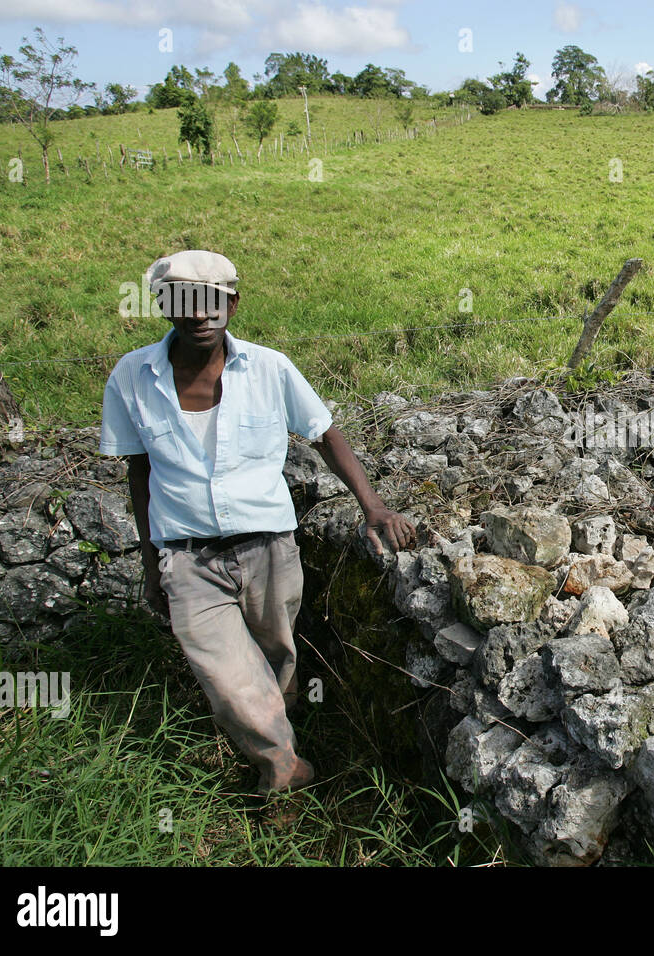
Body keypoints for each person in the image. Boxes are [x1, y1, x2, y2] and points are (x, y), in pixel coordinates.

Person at [99, 250, 417, 797]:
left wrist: (373, 505)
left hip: (270, 547)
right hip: (188, 557)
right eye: (182, 303)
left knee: (277, 657)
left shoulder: (269, 368)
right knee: (230, 683)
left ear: (232, 306)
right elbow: (140, 473)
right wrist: (151, 565)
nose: (198, 316)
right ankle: (284, 772)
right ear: (164, 307)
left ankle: (287, 731)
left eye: (210, 303)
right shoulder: (133, 378)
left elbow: (325, 434)